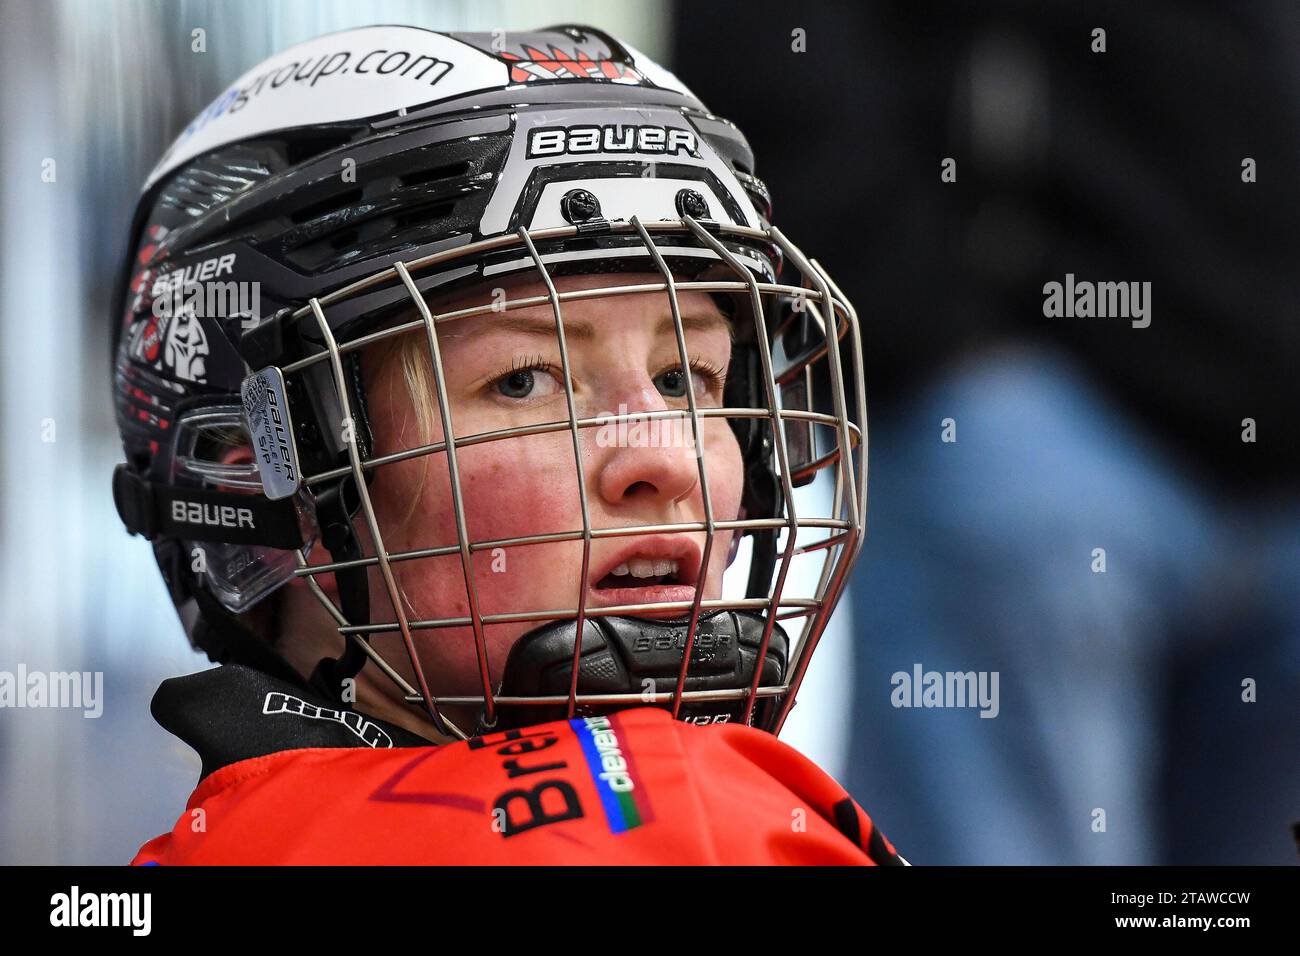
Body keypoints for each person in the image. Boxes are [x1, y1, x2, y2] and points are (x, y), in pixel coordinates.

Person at [112, 23, 901, 864]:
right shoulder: (690, 816)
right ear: (269, 486)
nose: (663, 458)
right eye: (524, 379)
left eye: (687, 377)